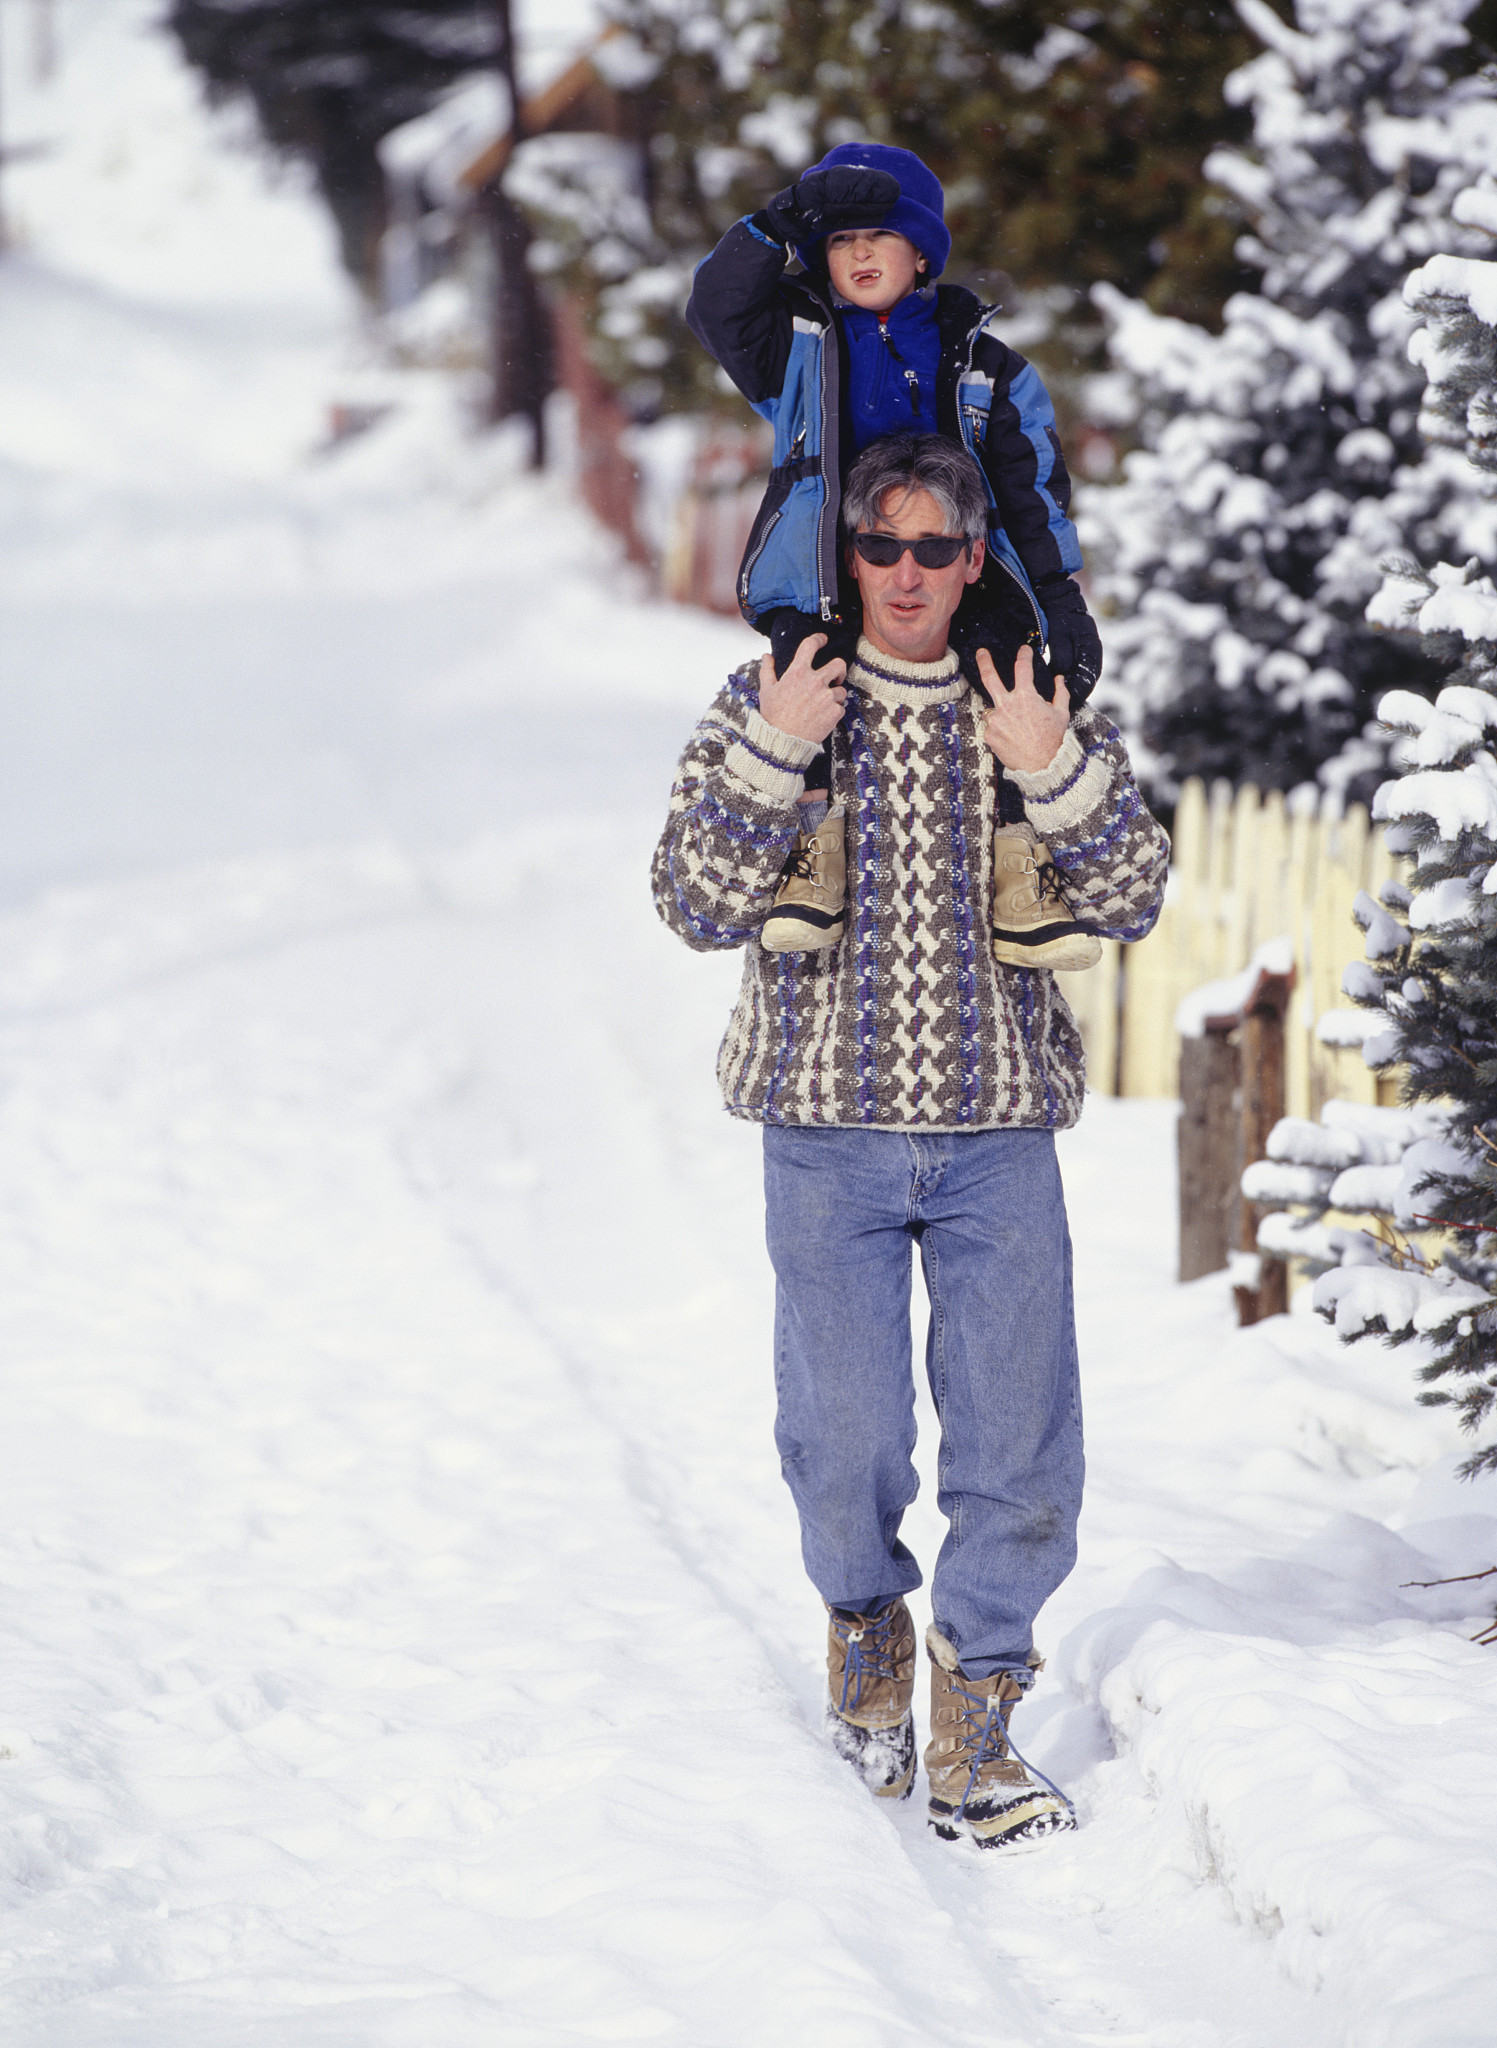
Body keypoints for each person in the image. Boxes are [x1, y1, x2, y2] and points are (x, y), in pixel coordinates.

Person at [651, 433, 1168, 1849]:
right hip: (824, 1132)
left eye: (938, 547)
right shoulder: (777, 692)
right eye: (882, 545)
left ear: (974, 557)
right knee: (846, 1440)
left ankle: (978, 1722)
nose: (908, 574)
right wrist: (775, 747)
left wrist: (1051, 765)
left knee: (1020, 1445)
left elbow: (1132, 895)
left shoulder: (1032, 695)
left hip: (1000, 1129)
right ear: (848, 555)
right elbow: (692, 900)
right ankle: (866, 1624)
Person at [685, 142, 1104, 962]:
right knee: (805, 684)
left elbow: (1033, 487)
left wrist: (1057, 594)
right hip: (822, 566)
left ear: (922, 253)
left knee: (1012, 678)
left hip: (952, 560)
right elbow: (716, 309)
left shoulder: (988, 366)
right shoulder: (797, 349)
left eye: (879, 236)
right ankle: (814, 852)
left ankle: (1021, 863)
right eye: (840, 241)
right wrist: (776, 223)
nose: (861, 254)